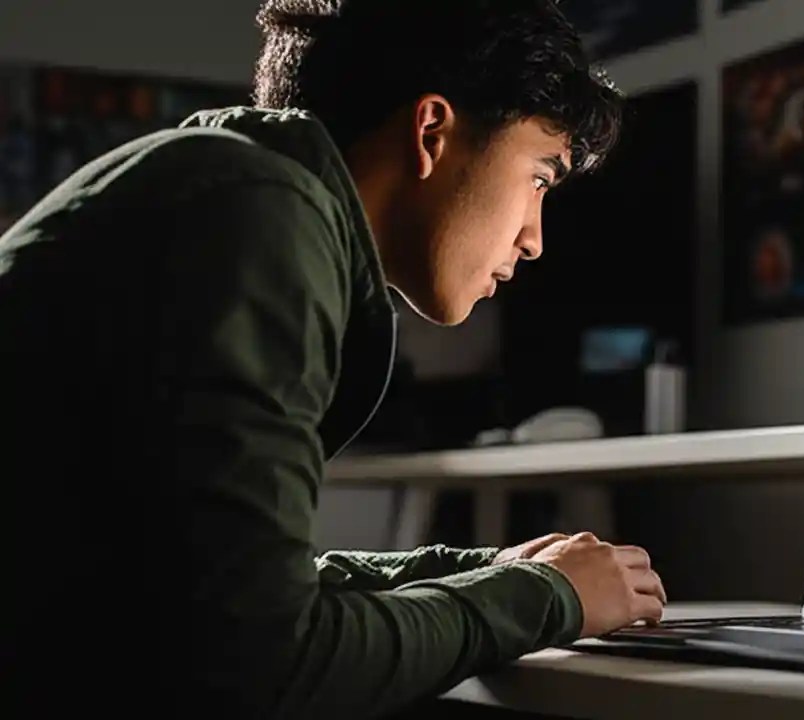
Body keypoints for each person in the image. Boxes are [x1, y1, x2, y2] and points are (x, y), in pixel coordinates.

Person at [0, 1, 666, 718]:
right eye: (539, 176)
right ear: (433, 131)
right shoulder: (258, 216)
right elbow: (263, 663)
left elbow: (220, 591)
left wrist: (487, 571)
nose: (534, 238)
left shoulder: (222, 191)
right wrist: (546, 596)